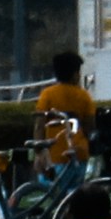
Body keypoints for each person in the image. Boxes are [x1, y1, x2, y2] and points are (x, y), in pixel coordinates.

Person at [35, 52, 96, 195]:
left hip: (53, 156)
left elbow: (39, 124)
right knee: (76, 196)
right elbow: (90, 126)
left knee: (53, 196)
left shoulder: (47, 94)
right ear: (75, 74)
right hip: (78, 154)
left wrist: (38, 152)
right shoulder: (84, 96)